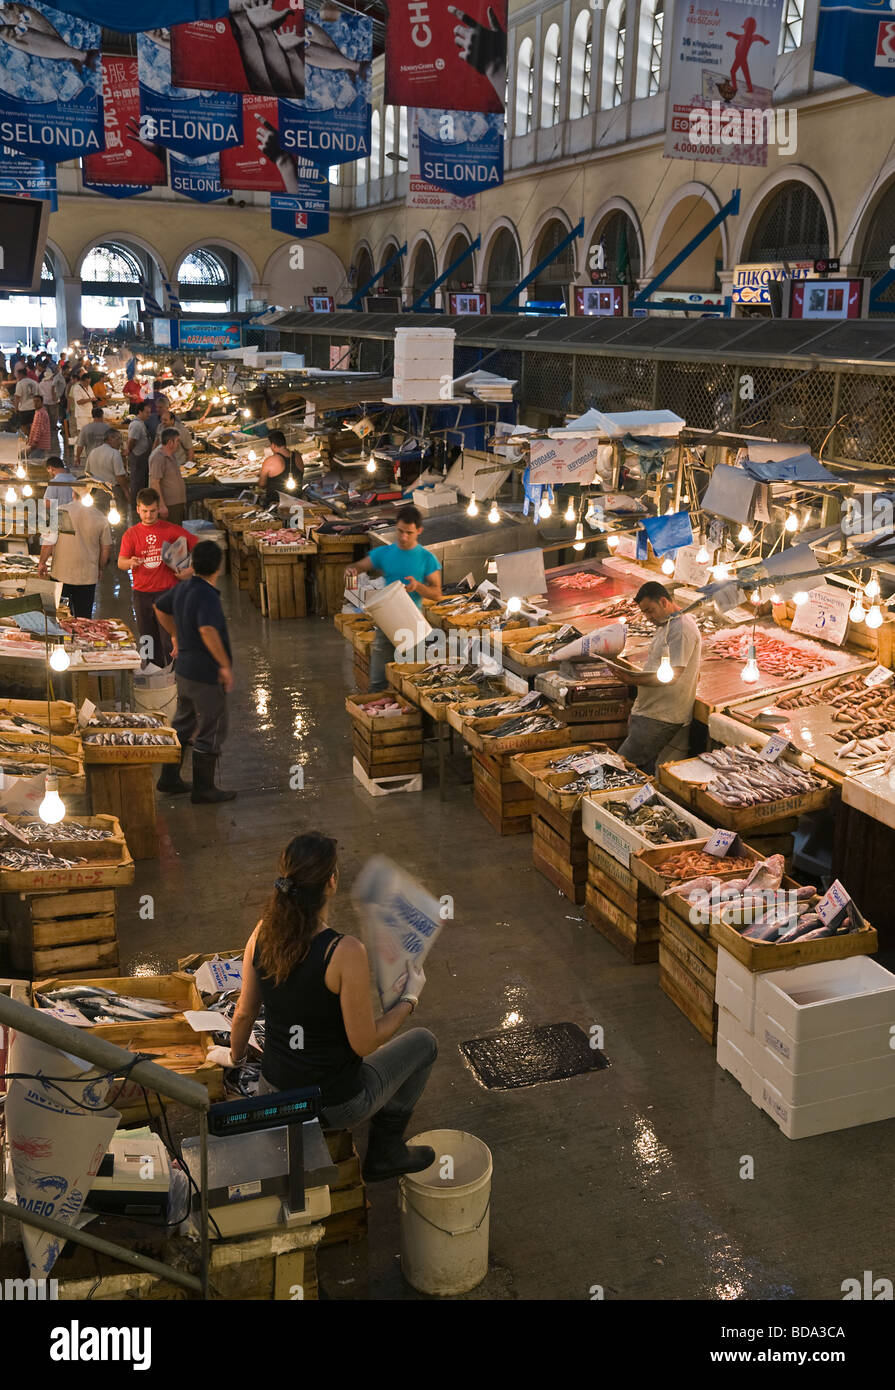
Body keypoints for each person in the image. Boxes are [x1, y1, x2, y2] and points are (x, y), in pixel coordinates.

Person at [220, 833, 437, 1182]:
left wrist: (234, 1056)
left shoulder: (262, 933)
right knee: (425, 1043)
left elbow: (244, 1013)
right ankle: (386, 1151)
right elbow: (364, 1043)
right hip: (333, 1104)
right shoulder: (344, 951)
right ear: (331, 881)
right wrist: (409, 1000)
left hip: (272, 1091)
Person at [153, 539, 235, 803]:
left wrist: (176, 636)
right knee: (212, 725)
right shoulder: (207, 595)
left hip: (185, 672)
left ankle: (169, 778)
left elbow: (159, 607)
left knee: (183, 722)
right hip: (204, 673)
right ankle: (203, 789)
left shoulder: (184, 587)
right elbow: (207, 630)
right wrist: (224, 665)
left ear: (193, 563)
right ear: (218, 567)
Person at [606, 581, 703, 772]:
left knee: (619, 768)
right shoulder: (665, 624)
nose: (647, 617)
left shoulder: (681, 629)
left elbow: (672, 676)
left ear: (664, 601)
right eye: (644, 612)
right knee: (640, 770)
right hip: (650, 711)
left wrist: (631, 679)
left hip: (661, 716)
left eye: (650, 610)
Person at [346, 505, 443, 692]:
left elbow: (438, 594)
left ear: (419, 531)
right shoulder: (385, 553)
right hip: (385, 625)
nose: (403, 537)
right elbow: (356, 568)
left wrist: (418, 586)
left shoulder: (426, 558)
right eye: (400, 531)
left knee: (415, 683)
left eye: (409, 533)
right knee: (377, 682)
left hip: (413, 628)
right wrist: (351, 579)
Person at [118, 488, 197, 671]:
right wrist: (130, 562)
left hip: (167, 594)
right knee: (147, 640)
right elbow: (121, 562)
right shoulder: (131, 534)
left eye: (153, 511)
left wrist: (190, 570)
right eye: (145, 511)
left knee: (170, 641)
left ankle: (175, 679)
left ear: (159, 509)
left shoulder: (171, 530)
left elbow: (200, 547)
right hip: (141, 595)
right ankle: (152, 674)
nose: (148, 515)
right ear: (138, 509)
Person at [38, 483, 112, 617]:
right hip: (87, 577)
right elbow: (105, 549)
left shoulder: (60, 511)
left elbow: (48, 542)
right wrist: (99, 568)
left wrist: (42, 563)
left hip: (61, 574)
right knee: (83, 619)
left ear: (73, 493)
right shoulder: (101, 517)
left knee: (59, 616)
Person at [148, 427, 187, 525]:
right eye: (177, 441)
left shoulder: (171, 454)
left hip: (176, 504)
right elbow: (154, 483)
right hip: (169, 506)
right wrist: (161, 506)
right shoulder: (158, 457)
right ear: (170, 442)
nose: (178, 444)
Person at [86, 428, 129, 510]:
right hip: (113, 491)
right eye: (118, 439)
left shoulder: (93, 452)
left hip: (96, 492)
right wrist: (126, 491)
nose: (120, 442)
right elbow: (119, 476)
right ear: (109, 439)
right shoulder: (115, 453)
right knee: (118, 517)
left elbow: (88, 473)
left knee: (99, 518)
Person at [257, 428, 296, 505]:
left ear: (273, 445)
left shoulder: (270, 461)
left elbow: (262, 485)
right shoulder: (298, 457)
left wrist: (262, 474)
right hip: (297, 501)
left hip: (275, 503)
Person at [126, 401, 153, 514]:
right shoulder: (136, 424)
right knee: (137, 482)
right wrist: (129, 450)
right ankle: (135, 506)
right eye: (147, 412)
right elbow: (132, 440)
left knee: (141, 482)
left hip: (142, 457)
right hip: (138, 457)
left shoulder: (141, 423)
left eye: (149, 412)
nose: (149, 415)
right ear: (140, 412)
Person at [74, 405, 108, 471]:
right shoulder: (108, 428)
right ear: (102, 415)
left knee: (92, 477)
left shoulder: (85, 428)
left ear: (92, 416)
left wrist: (77, 457)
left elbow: (80, 445)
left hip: (91, 458)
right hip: (106, 457)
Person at [13, 365, 40, 433]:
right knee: (33, 426)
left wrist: (15, 409)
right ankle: (32, 440)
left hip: (24, 409)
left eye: (18, 375)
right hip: (34, 408)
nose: (17, 377)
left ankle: (27, 440)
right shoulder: (35, 383)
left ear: (21, 374)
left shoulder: (20, 383)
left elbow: (17, 397)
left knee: (24, 426)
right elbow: (40, 395)